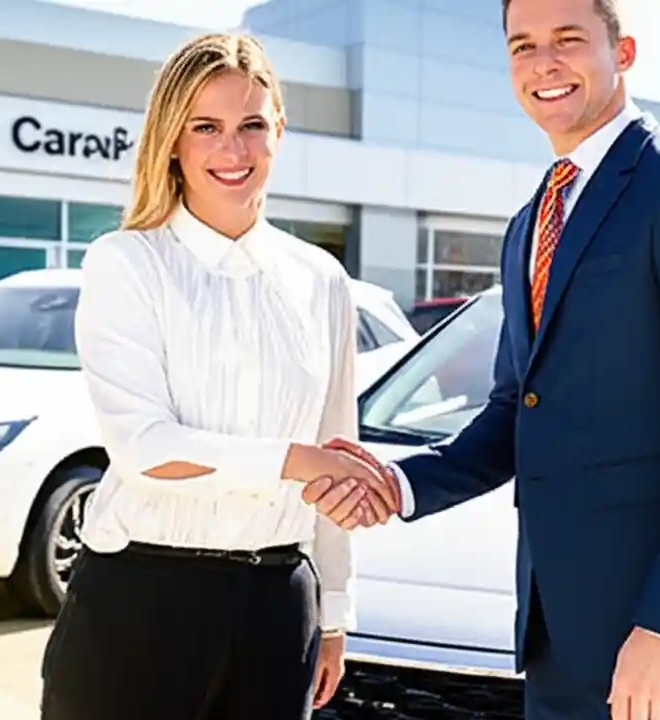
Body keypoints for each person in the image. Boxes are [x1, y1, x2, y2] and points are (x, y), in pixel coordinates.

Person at [314, 0, 660, 717]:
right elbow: (518, 410)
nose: (544, 64)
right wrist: (399, 483)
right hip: (557, 651)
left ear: (622, 52)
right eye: (523, 46)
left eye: (568, 39)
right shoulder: (530, 222)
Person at [39, 32, 397, 720]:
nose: (233, 150)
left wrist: (332, 614)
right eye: (206, 127)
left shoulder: (321, 279)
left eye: (251, 125)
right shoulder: (126, 263)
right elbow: (146, 450)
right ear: (172, 140)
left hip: (279, 608)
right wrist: (296, 461)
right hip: (141, 604)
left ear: (279, 130)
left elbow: (337, 451)